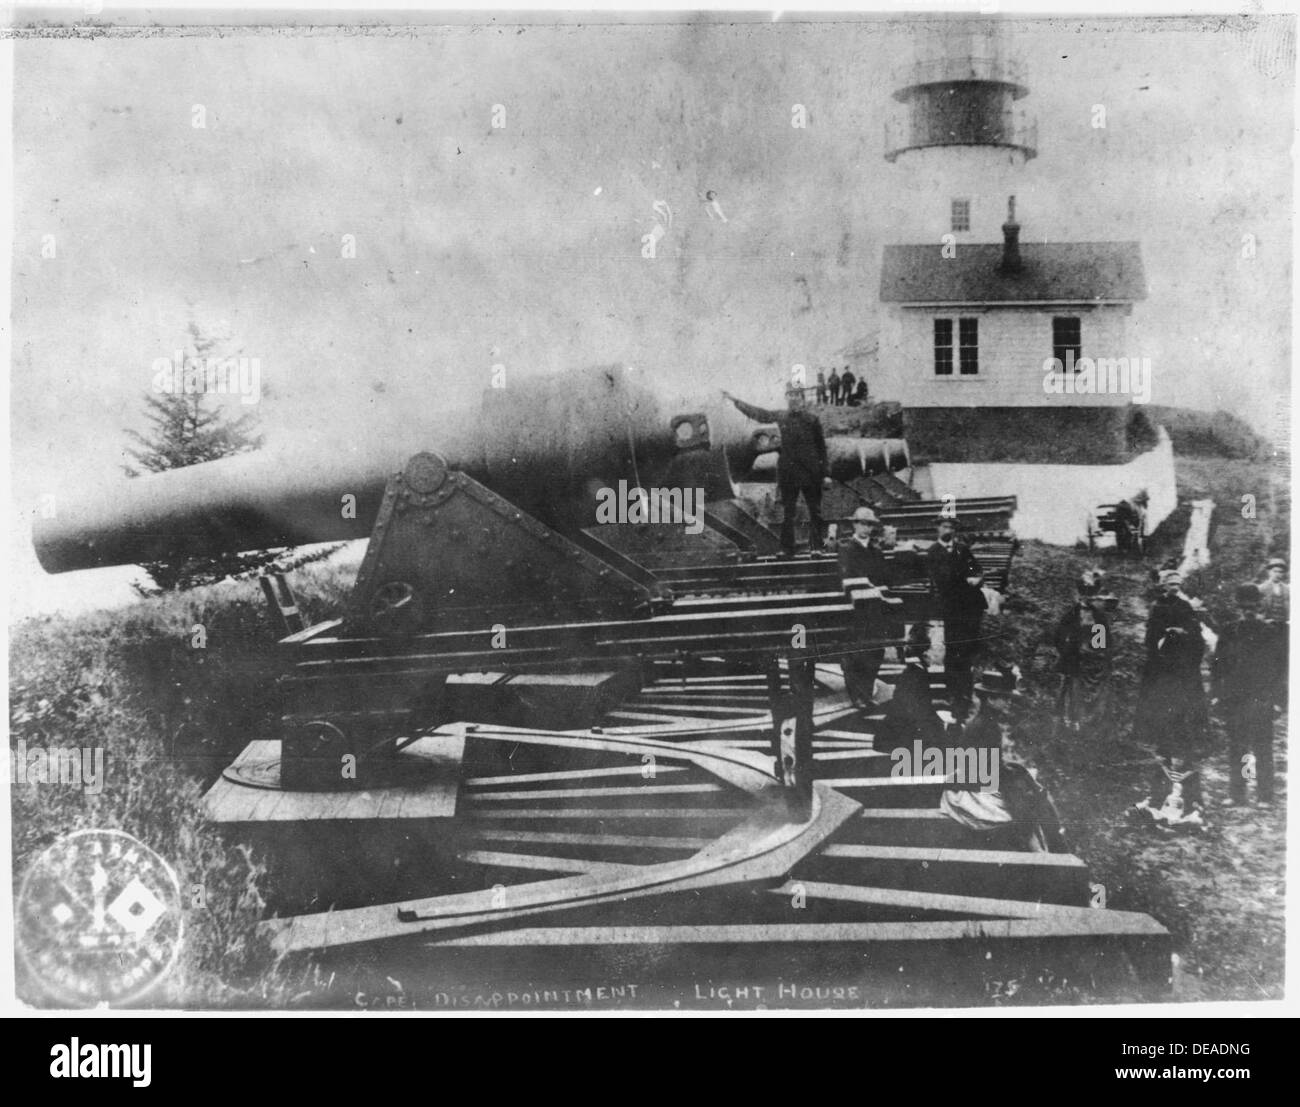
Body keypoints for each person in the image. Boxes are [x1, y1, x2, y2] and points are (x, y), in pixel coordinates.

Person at [940, 668, 1067, 852]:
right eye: (1004, 698)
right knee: (1029, 799)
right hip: (973, 791)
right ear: (990, 700)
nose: (1008, 702)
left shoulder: (983, 722)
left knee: (1031, 789)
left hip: (974, 782)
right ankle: (1045, 850)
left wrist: (1016, 773)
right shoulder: (986, 726)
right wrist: (1016, 776)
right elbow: (987, 772)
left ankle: (1048, 846)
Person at [1132, 569, 1208, 822]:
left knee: (1184, 735)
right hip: (1163, 675)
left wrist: (1183, 634)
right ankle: (1160, 791)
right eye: (1170, 584)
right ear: (1164, 586)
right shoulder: (1157, 608)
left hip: (1184, 677)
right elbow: (1149, 641)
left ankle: (1187, 795)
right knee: (1163, 735)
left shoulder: (1186, 607)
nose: (1174, 588)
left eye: (1178, 584)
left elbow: (1199, 641)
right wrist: (1165, 637)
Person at [723, 386, 830, 556]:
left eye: (796, 396)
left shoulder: (812, 420)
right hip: (789, 473)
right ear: (787, 399)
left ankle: (817, 547)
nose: (793, 399)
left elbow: (821, 448)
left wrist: (825, 474)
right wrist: (735, 401)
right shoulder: (781, 417)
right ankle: (787, 549)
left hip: (811, 473)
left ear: (802, 399)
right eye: (790, 396)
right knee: (788, 513)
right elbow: (759, 414)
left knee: (814, 511)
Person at [1213, 584, 1286, 807]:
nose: (1249, 610)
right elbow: (1217, 666)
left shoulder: (1271, 631)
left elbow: (1283, 669)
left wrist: (1278, 701)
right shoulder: (1229, 631)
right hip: (1235, 698)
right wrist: (1216, 695)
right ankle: (1238, 794)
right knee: (1238, 746)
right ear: (1238, 607)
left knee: (1262, 747)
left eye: (1253, 606)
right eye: (1244, 607)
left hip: (1262, 697)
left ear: (1260, 606)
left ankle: (1265, 795)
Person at [837, 507, 904, 707]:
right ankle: (855, 695)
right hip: (856, 609)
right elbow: (846, 577)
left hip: (875, 609)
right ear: (855, 525)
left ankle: (866, 693)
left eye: (869, 524)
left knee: (875, 651)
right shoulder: (847, 548)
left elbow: (884, 577)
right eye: (862, 523)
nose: (866, 528)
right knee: (855, 653)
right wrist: (868, 585)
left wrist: (881, 588)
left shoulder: (876, 551)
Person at [925, 518, 986, 713]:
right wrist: (961, 580)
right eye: (944, 526)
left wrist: (976, 578)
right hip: (951, 608)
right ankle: (952, 693)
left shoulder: (962, 549)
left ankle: (966, 693)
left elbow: (976, 569)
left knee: (967, 650)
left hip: (969, 608)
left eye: (951, 527)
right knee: (953, 650)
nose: (948, 530)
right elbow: (941, 579)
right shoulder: (934, 552)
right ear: (937, 528)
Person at [1053, 569, 1114, 732]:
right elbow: (1059, 636)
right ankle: (1069, 721)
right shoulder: (1071, 614)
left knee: (1087, 691)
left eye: (1091, 595)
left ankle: (1086, 721)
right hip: (1073, 659)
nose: (1088, 598)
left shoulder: (1098, 616)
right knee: (1072, 689)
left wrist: (1093, 651)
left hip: (1091, 660)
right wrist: (1067, 650)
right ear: (1080, 595)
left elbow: (1101, 641)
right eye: (1085, 594)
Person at [873, 623, 944, 757]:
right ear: (926, 652)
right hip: (911, 727)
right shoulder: (917, 674)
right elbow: (918, 706)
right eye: (936, 648)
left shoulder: (915, 670)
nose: (938, 652)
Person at [1257, 557, 1289, 624]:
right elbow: (1254, 611)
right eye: (1275, 571)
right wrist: (1263, 620)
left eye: (1280, 572)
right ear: (1269, 572)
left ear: (1283, 574)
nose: (1277, 574)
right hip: (1266, 625)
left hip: (1284, 625)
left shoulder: (1288, 589)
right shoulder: (1260, 588)